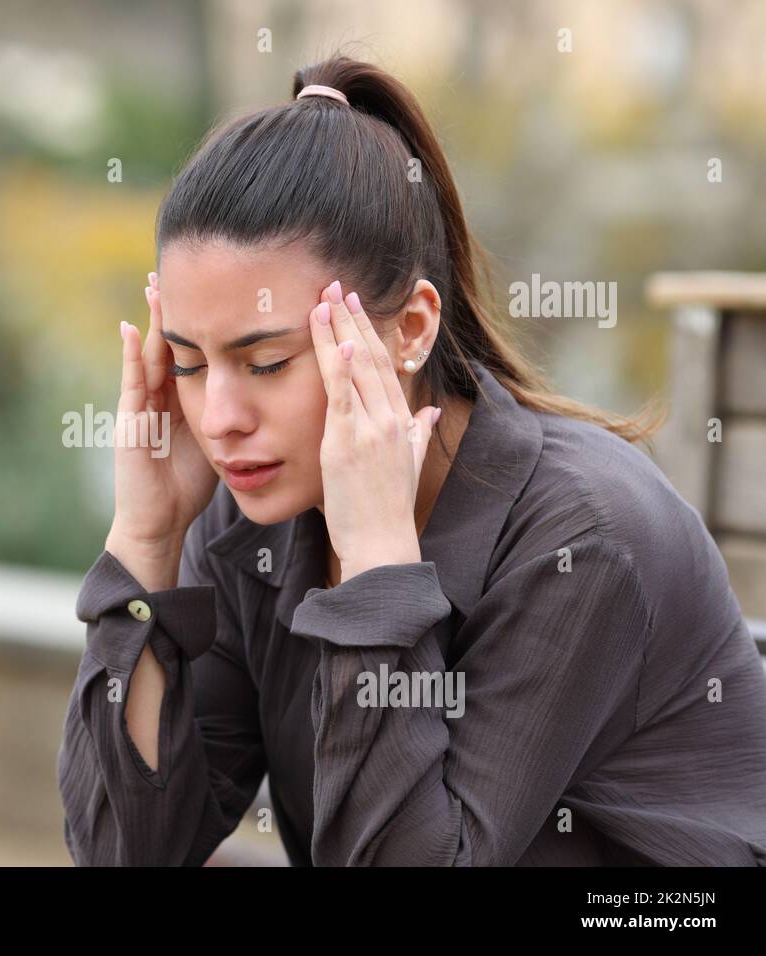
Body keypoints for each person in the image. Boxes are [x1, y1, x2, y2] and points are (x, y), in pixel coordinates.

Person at [55, 53, 766, 866]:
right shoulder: (257, 511)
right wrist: (143, 545)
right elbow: (126, 851)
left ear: (412, 329)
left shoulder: (583, 539)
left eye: (265, 362)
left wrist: (378, 569)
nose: (218, 419)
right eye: (187, 361)